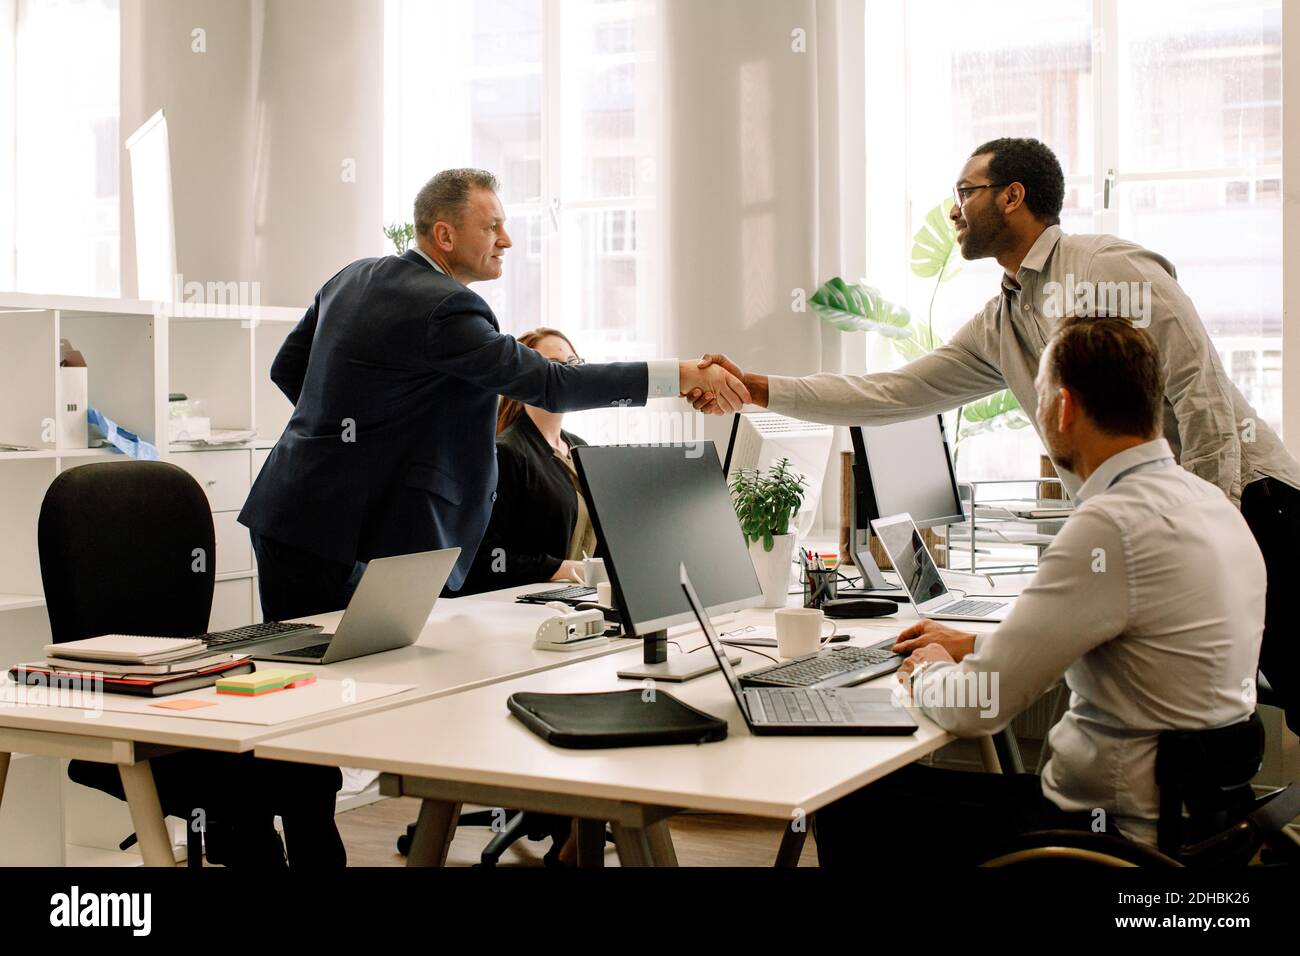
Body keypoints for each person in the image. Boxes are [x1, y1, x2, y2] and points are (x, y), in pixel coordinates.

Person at [694, 137, 1300, 732]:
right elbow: (895, 392)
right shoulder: (1002, 322)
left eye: (965, 191)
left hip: (1256, 507)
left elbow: (1204, 395)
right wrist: (758, 389)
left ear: (1013, 196)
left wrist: (1208, 530)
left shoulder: (1110, 269)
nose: (954, 209)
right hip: (1181, 531)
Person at [813, 315, 1265, 864]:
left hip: (1102, 843)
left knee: (847, 804)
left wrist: (928, 667)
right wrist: (977, 646)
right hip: (1195, 827)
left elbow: (975, 707)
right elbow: (1143, 651)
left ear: (1064, 407)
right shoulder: (1211, 502)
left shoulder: (1110, 524)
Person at [239, 168, 747, 622]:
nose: (506, 239)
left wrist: (352, 441)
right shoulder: (447, 309)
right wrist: (678, 375)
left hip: (290, 516)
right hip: (346, 540)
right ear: (444, 235)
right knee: (344, 683)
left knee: (313, 678)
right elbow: (551, 383)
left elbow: (288, 369)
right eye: (491, 227)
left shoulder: (353, 276)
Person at [462, 328, 598, 594]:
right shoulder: (507, 452)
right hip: (527, 606)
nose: (566, 374)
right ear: (521, 378)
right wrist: (564, 569)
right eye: (553, 366)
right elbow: (486, 559)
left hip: (582, 600)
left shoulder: (581, 447)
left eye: (573, 364)